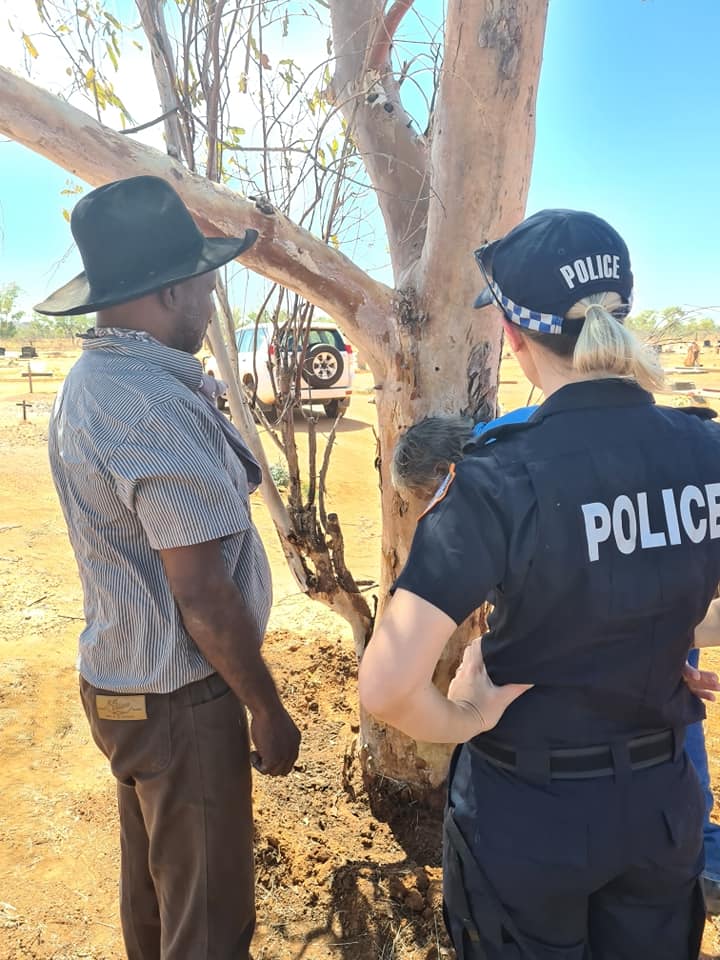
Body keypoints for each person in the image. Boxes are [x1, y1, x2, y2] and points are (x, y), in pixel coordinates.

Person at [359, 209, 720, 959]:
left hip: (529, 812)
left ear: (516, 339)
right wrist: (664, 624)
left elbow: (388, 686)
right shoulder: (704, 447)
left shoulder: (498, 476)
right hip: (660, 807)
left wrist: (466, 717)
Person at [37, 175, 301, 960]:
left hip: (127, 689)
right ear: (175, 287)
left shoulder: (97, 382)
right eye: (209, 283)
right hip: (182, 698)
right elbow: (202, 591)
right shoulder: (145, 400)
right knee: (212, 926)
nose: (213, 299)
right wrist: (265, 707)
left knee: (159, 900)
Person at [394, 412, 720, 919]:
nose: (436, 511)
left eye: (430, 497)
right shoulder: (530, 434)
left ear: (444, 470)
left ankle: (700, 860)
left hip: (647, 623)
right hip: (658, 611)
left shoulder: (501, 475)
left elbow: (389, 685)